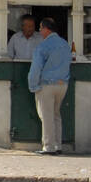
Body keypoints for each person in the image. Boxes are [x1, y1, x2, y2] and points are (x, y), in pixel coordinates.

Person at [28, 17, 71, 155]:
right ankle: (58, 145)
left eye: (40, 28)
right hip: (62, 84)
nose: (39, 31)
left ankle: (48, 147)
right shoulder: (65, 44)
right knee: (56, 114)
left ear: (46, 29)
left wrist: (33, 85)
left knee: (46, 116)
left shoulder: (43, 46)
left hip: (46, 85)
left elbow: (36, 68)